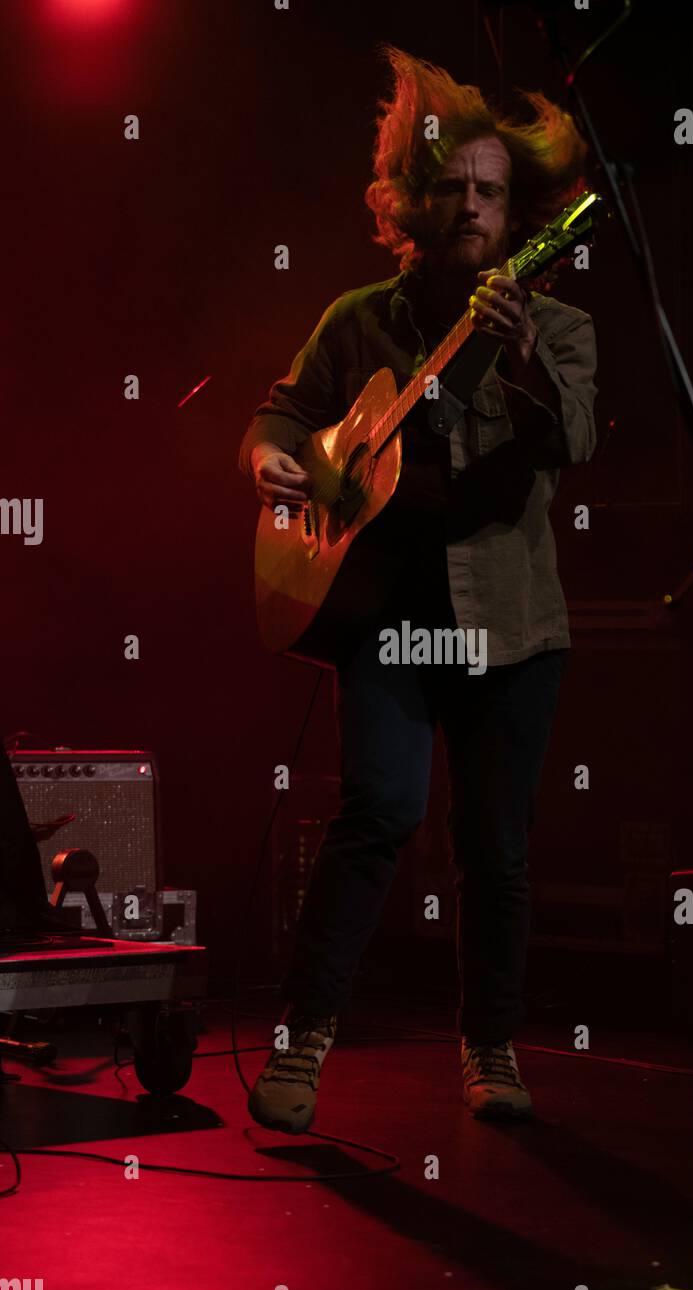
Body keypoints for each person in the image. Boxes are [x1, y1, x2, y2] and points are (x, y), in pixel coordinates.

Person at [238, 46, 598, 1132]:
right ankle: (300, 1046)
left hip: (510, 622)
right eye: (454, 187)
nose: (475, 205)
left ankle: (489, 1048)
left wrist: (524, 355)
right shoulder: (358, 319)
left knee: (495, 843)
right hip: (387, 613)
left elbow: (572, 442)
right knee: (376, 813)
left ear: (520, 210)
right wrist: (268, 461)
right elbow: (278, 412)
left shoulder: (560, 328)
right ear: (411, 200)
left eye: (493, 191)